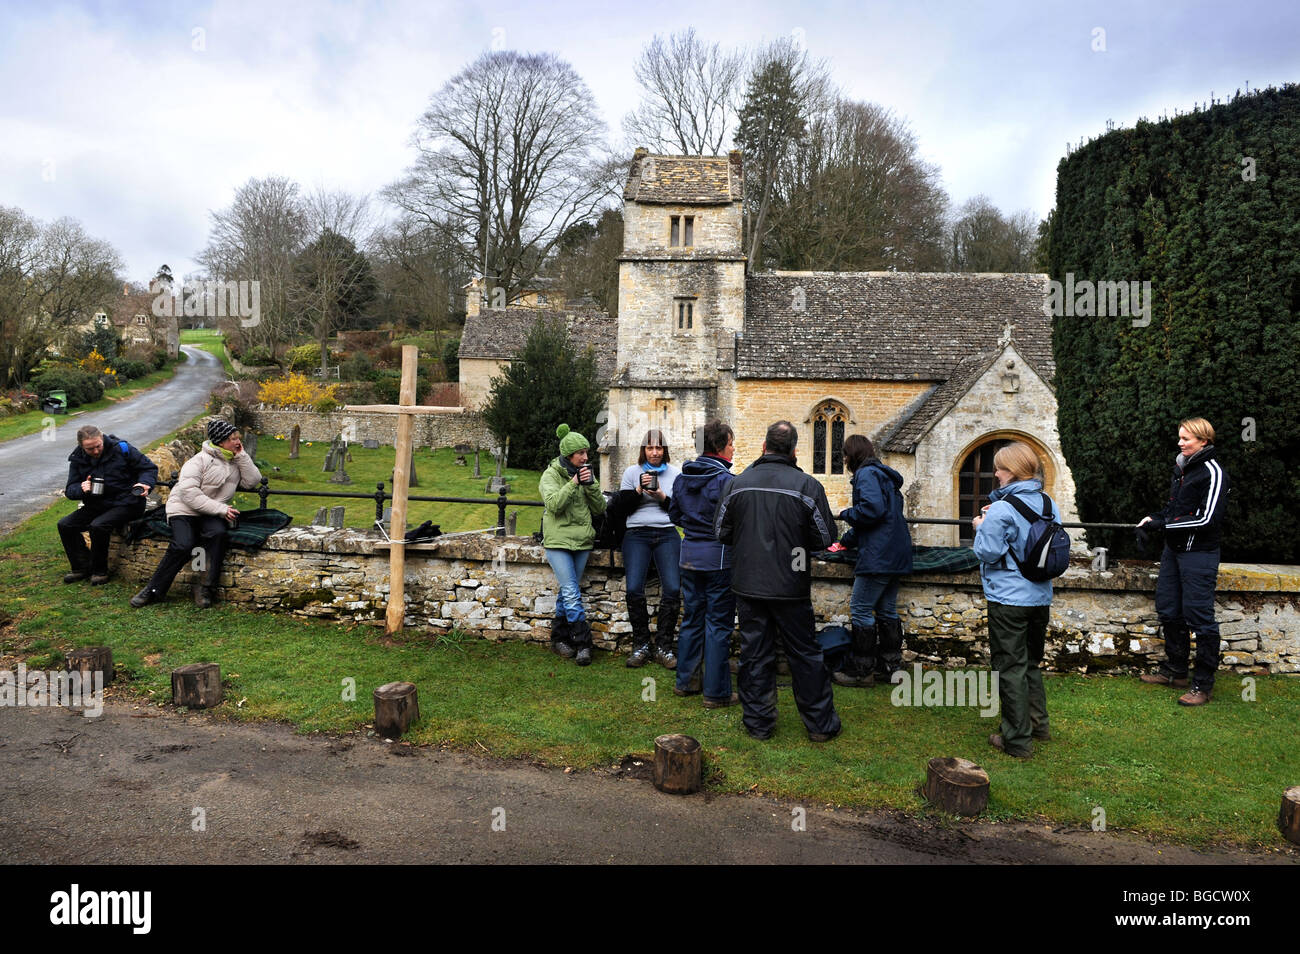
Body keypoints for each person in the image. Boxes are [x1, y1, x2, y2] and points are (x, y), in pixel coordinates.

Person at [714, 421, 841, 742]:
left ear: (763, 447)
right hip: (791, 582)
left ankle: (759, 725)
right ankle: (820, 727)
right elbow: (825, 536)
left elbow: (720, 532)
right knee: (805, 655)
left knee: (755, 653)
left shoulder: (737, 484)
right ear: (795, 450)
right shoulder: (807, 486)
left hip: (749, 582)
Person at [971, 442, 1058, 759]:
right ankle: (1038, 725)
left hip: (1008, 599)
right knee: (1030, 663)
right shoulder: (1049, 504)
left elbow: (987, 552)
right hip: (1040, 597)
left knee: (1009, 668)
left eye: (999, 468)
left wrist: (980, 527)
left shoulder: (1003, 509)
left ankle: (1017, 741)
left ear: (1014, 471)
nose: (995, 473)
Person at [1137, 418, 1229, 706]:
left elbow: (1206, 518)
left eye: (1186, 438)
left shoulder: (1213, 472)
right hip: (1173, 552)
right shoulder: (1181, 468)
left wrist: (1162, 527)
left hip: (1199, 554)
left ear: (1204, 441)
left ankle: (1202, 684)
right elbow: (1174, 509)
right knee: (1168, 610)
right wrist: (1154, 520)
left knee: (1199, 618)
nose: (1180, 443)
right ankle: (1175, 671)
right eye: (1180, 437)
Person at [130, 420, 261, 609]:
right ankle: (153, 590)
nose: (237, 442)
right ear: (220, 441)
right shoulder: (198, 461)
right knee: (184, 544)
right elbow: (189, 494)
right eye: (233, 439)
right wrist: (222, 510)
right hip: (184, 508)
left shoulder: (235, 461)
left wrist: (242, 456)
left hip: (210, 510)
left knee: (217, 534)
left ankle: (204, 588)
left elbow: (252, 481)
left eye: (238, 438)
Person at [834, 435, 914, 688]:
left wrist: (845, 514)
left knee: (859, 608)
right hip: (896, 551)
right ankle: (891, 668)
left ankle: (862, 670)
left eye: (845, 454)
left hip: (879, 555)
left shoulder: (866, 475)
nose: (844, 459)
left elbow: (872, 510)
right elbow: (879, 519)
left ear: (853, 455)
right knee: (887, 610)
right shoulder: (884, 476)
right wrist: (846, 540)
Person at [668, 420, 737, 707]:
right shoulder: (727, 481)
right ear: (720, 448)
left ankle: (686, 682)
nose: (734, 449)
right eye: (731, 443)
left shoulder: (682, 479)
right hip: (719, 560)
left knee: (692, 619)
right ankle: (716, 693)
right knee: (718, 624)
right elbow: (733, 523)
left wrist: (695, 531)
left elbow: (674, 514)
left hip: (689, 557)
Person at [538, 423, 607, 666]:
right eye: (581, 453)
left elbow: (600, 509)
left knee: (568, 591)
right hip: (558, 541)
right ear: (569, 455)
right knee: (570, 591)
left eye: (587, 453)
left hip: (582, 541)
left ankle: (559, 638)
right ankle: (583, 643)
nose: (586, 457)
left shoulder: (586, 474)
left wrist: (591, 486)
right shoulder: (550, 475)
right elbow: (554, 504)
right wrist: (574, 483)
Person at [58, 425, 158, 584]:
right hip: (97, 505)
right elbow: (70, 489)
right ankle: (81, 567)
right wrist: (81, 488)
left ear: (102, 438)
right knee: (65, 525)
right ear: (82, 447)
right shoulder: (78, 459)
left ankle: (99, 572)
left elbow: (148, 468)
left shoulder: (122, 449)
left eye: (98, 446)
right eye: (90, 449)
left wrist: (145, 484)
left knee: (98, 526)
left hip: (128, 503)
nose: (96, 451)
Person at [620, 429, 682, 669]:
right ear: (643, 450)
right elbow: (621, 509)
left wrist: (662, 496)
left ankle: (664, 646)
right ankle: (641, 644)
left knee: (674, 587)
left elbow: (680, 511)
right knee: (634, 587)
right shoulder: (631, 472)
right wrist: (638, 491)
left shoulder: (676, 474)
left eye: (659, 448)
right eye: (650, 448)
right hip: (637, 533)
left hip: (666, 532)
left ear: (664, 450)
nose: (654, 452)